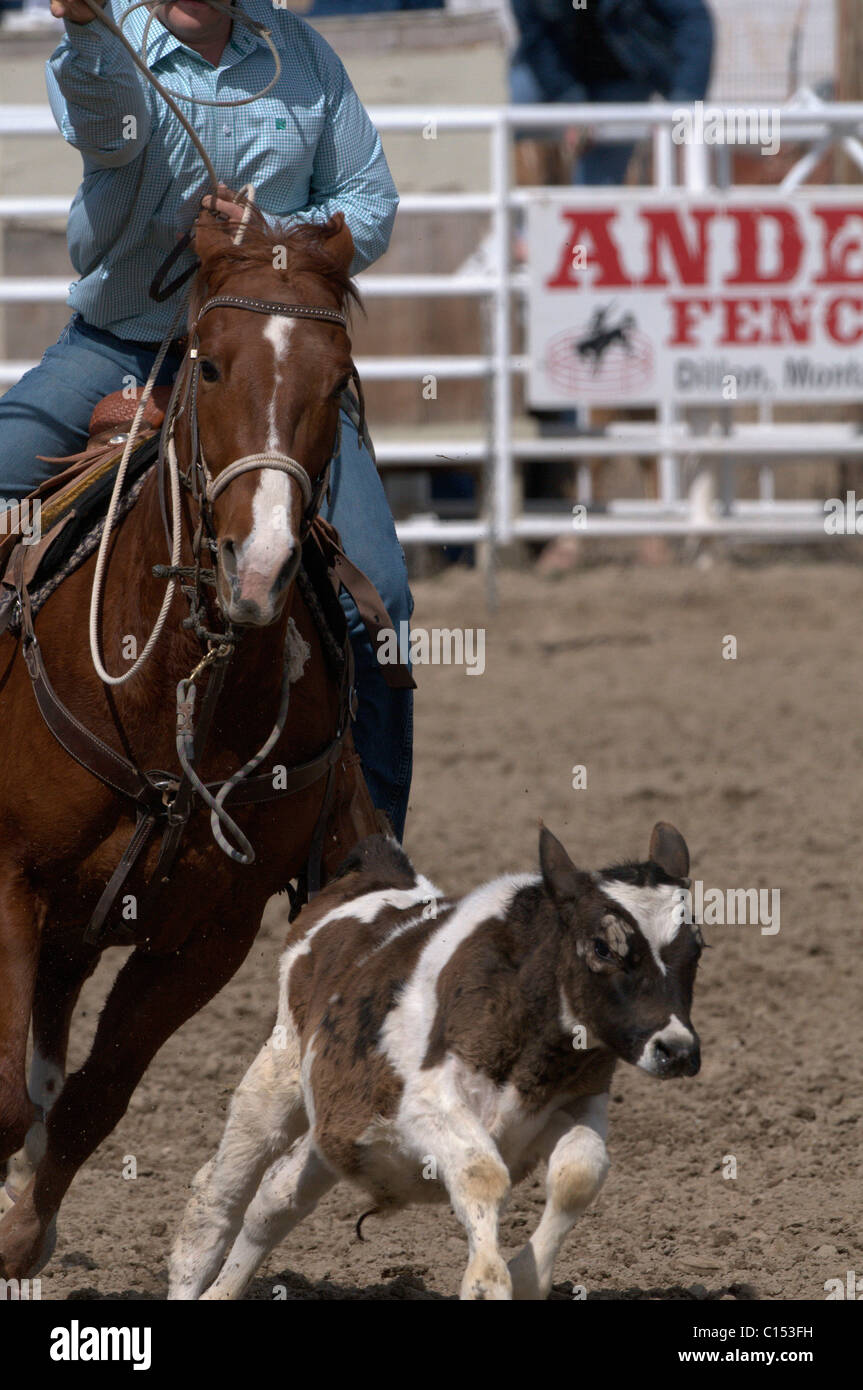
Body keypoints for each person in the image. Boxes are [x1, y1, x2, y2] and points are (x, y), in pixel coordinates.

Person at [0, 0, 413, 841]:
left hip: (267, 367)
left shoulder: (302, 58)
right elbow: (106, 129)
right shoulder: (112, 43)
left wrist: (270, 243)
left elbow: (369, 199)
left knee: (380, 601)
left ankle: (367, 855)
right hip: (122, 342)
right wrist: (83, 28)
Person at [510, 0, 714, 185]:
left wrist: (683, 103)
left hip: (622, 74)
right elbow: (536, 43)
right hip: (552, 71)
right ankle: (507, 200)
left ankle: (590, 208)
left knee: (599, 188)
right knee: (513, 112)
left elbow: (693, 18)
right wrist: (572, 105)